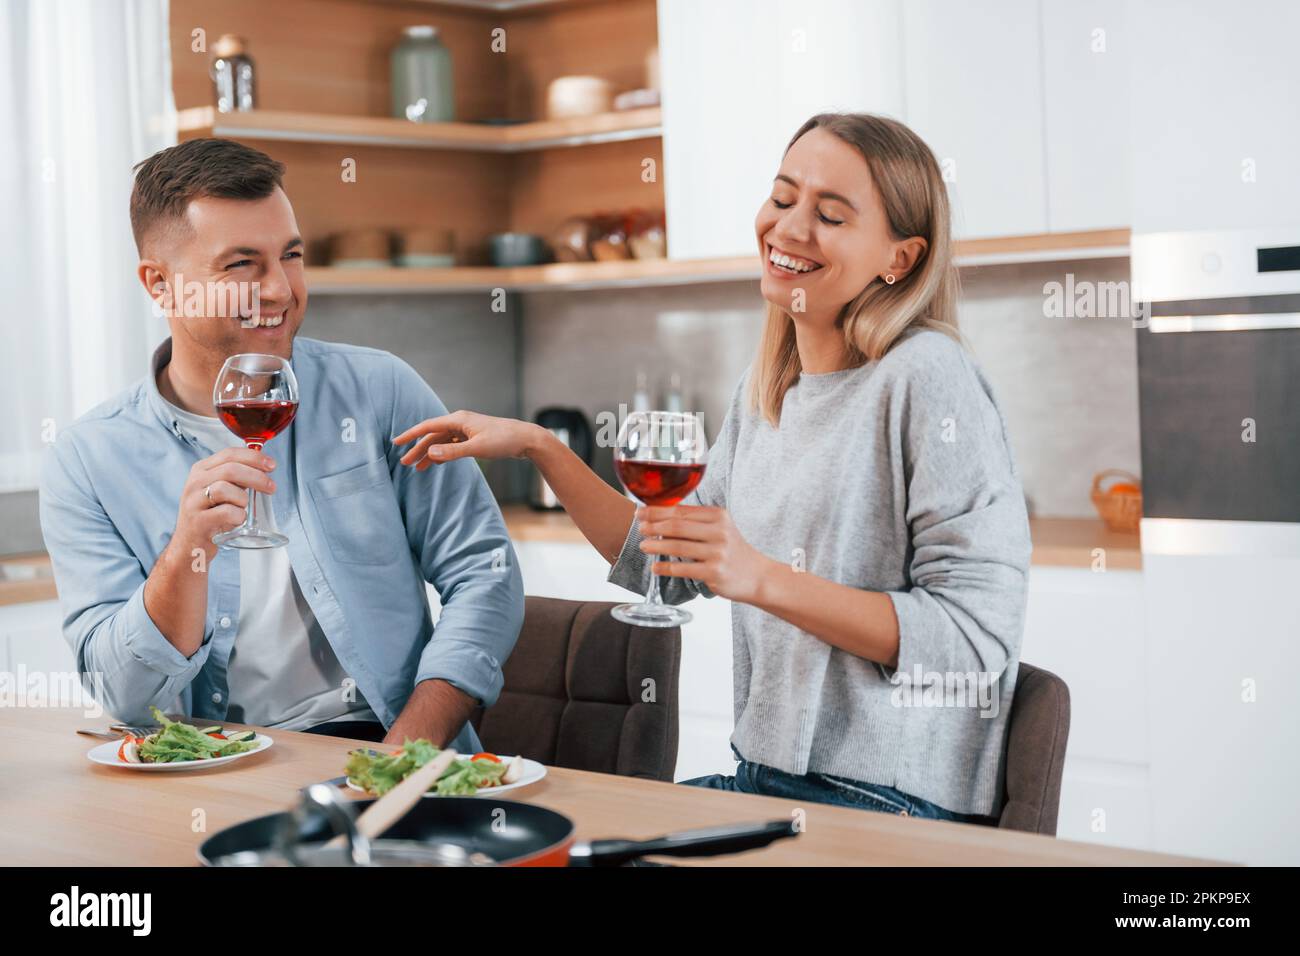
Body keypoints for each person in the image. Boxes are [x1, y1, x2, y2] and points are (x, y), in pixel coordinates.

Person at [392, 113, 1032, 821]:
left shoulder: (926, 374)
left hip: (891, 807)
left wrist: (759, 576)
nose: (789, 229)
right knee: (556, 837)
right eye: (783, 198)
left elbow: (975, 643)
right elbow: (663, 566)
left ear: (900, 259)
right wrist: (541, 447)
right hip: (766, 784)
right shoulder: (770, 390)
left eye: (830, 215)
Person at [40, 138, 523, 750]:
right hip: (208, 768)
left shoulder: (379, 390)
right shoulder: (87, 461)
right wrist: (188, 552)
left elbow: (485, 571)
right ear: (160, 285)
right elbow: (124, 695)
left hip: (384, 745)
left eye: (290, 255)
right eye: (242, 264)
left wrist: (408, 748)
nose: (279, 289)